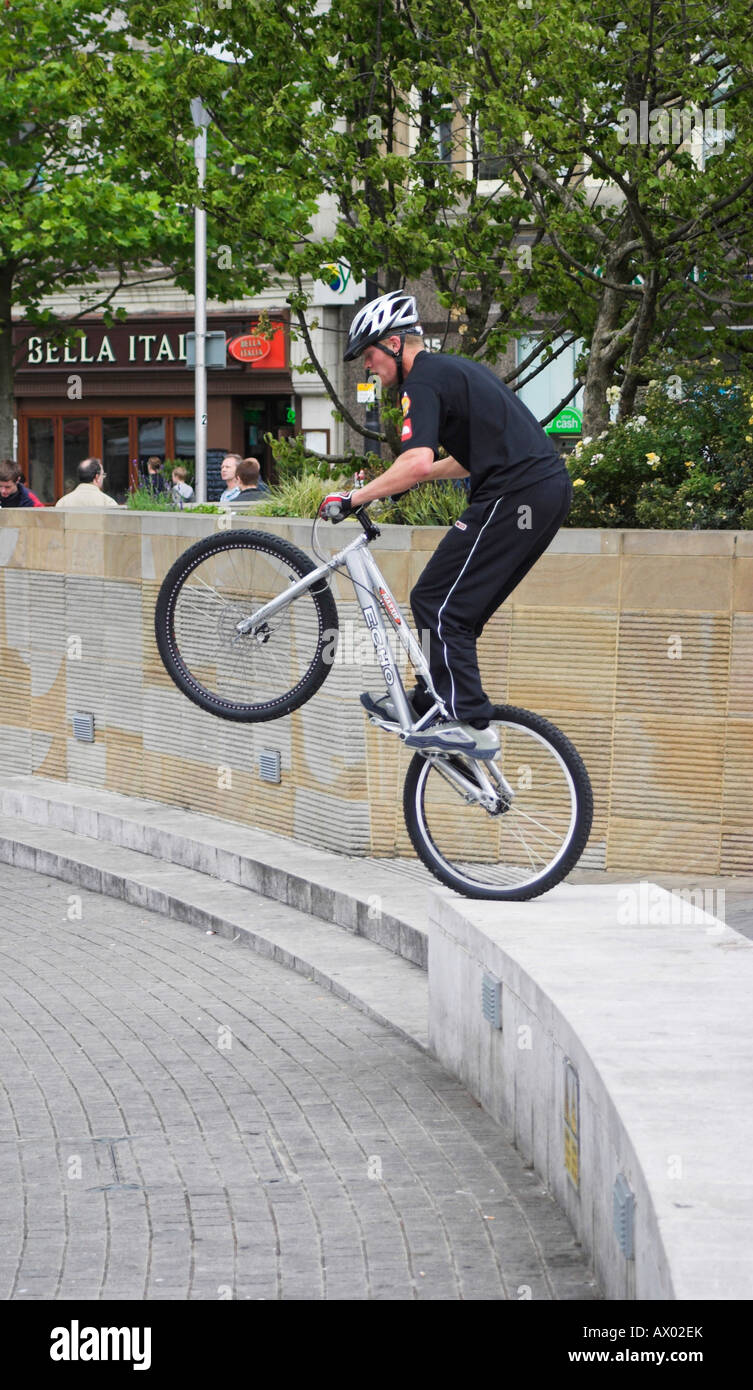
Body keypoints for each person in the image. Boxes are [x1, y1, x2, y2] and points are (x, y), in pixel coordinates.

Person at [324, 289, 572, 761]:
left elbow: (416, 460)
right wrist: (404, 481)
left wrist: (352, 497)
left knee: (436, 602)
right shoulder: (454, 371)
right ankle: (433, 699)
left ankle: (470, 723)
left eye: (370, 354)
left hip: (518, 496)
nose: (367, 366)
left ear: (395, 344)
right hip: (537, 494)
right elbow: (455, 461)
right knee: (453, 609)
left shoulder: (422, 383)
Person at [55, 457, 119, 509]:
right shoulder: (108, 502)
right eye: (103, 475)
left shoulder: (62, 502)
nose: (103, 478)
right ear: (97, 477)